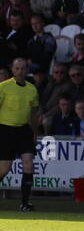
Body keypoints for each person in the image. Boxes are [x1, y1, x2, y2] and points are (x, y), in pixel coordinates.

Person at [0, 57, 40, 211]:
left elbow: (34, 114)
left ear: (27, 70)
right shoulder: (3, 87)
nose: (20, 71)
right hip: (5, 130)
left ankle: (24, 203)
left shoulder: (32, 89)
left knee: (28, 163)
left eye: (23, 68)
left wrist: (34, 133)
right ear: (12, 69)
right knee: (4, 169)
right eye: (17, 68)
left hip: (23, 130)